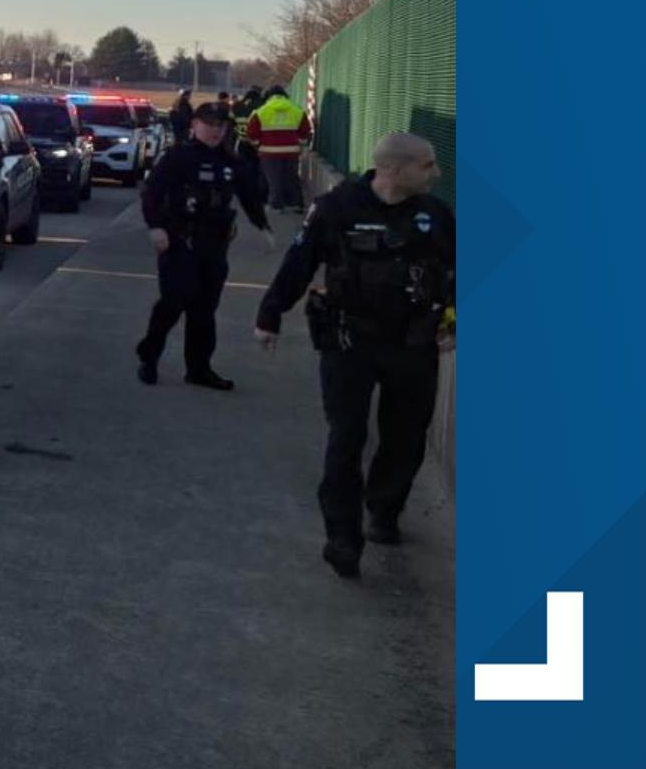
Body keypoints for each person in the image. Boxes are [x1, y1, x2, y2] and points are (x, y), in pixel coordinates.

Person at [254, 133, 454, 580]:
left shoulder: (436, 216)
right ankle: (342, 538)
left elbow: (459, 272)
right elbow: (299, 261)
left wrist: (452, 321)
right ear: (395, 169)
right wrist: (270, 313)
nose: (437, 173)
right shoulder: (336, 207)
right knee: (346, 437)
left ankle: (384, 509)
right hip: (349, 342)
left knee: (405, 436)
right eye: (428, 165)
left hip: (413, 345)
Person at [136, 102, 274, 391]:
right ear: (194, 125)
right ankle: (149, 354)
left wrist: (262, 225)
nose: (214, 131)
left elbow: (249, 194)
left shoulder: (231, 161)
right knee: (175, 300)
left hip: (214, 243)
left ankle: (198, 369)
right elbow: (152, 193)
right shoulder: (177, 157)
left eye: (220, 126)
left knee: (204, 309)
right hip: (179, 240)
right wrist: (156, 226)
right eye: (209, 124)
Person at [247, 84, 313, 212]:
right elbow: (305, 131)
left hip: (268, 152)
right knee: (292, 177)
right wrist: (300, 144)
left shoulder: (261, 111)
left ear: (269, 96)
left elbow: (251, 133)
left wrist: (258, 145)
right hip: (292, 151)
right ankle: (296, 204)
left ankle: (277, 205)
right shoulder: (297, 110)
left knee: (274, 179)